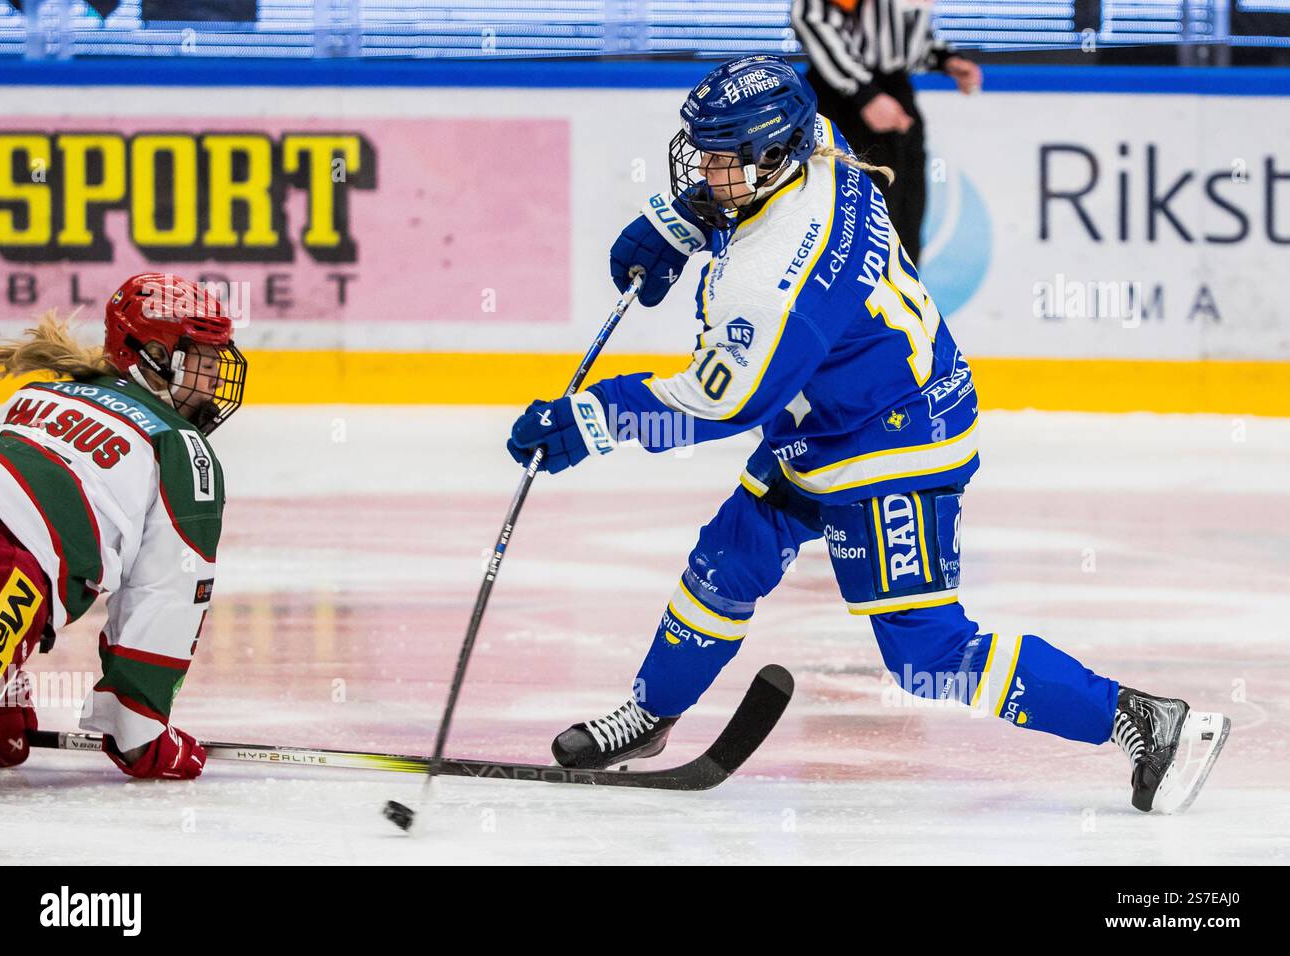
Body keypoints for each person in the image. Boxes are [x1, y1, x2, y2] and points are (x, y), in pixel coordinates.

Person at [506, 55, 1229, 813]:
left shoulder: (781, 268)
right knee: (728, 560)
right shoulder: (812, 143)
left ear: (769, 158)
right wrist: (683, 219)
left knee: (930, 656)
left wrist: (594, 418)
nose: (708, 168)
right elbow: (750, 201)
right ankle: (651, 715)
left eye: (722, 159)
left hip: (894, 443)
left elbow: (727, 401)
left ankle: (1143, 721)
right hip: (832, 414)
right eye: (706, 155)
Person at [0, 273, 246, 779]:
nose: (215, 378)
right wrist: (141, 732)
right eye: (205, 359)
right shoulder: (179, 446)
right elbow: (165, 597)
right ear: (154, 355)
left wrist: (5, 688)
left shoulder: (36, 396)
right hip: (8, 566)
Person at [791, 0, 982, 263]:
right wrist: (864, 93)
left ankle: (901, 298)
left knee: (905, 213)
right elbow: (812, 18)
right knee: (845, 214)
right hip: (844, 99)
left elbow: (906, 37)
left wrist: (946, 60)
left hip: (893, 92)